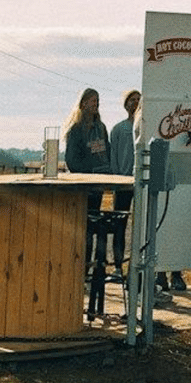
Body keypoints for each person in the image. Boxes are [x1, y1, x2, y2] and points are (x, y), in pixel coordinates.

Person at [65, 88, 111, 269]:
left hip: (98, 184)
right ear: (83, 103)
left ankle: (94, 265)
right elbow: (71, 160)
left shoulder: (101, 128)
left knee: (94, 226)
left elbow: (107, 151)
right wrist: (86, 173)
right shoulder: (76, 130)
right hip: (83, 186)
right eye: (93, 100)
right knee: (83, 227)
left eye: (97, 100)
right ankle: (81, 265)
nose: (96, 104)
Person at [107, 89, 141, 278]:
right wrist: (117, 180)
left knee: (142, 225)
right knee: (119, 225)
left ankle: (138, 267)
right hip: (123, 183)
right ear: (125, 104)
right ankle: (118, 267)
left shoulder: (145, 127)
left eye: (138, 99)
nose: (135, 102)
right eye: (132, 100)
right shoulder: (118, 129)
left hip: (141, 183)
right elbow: (113, 157)